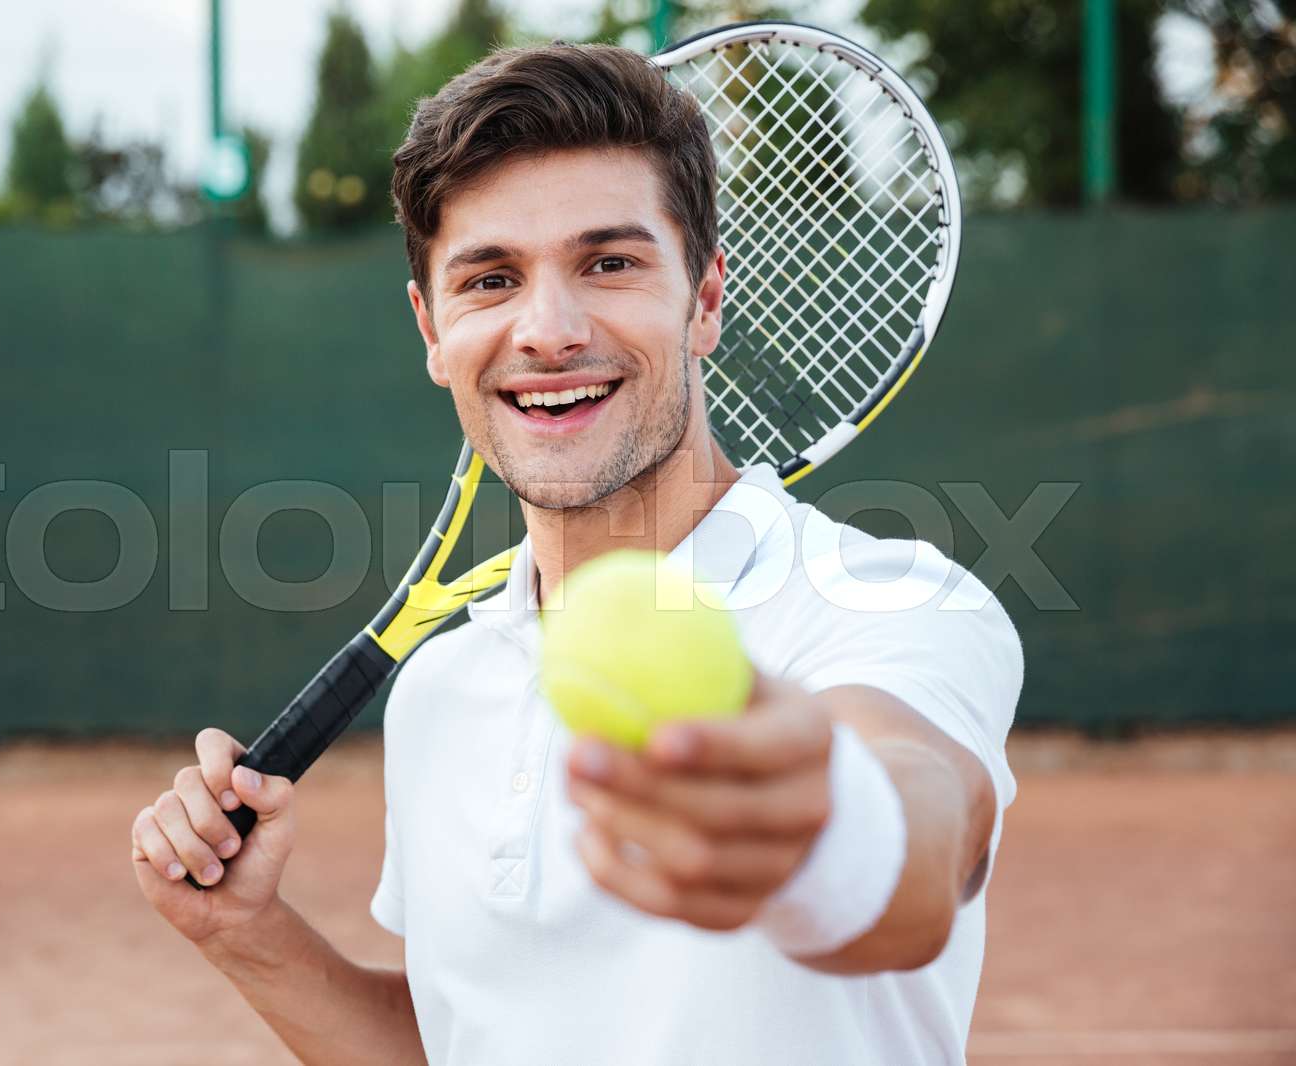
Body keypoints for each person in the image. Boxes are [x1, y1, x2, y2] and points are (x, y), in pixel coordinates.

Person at [130, 42, 1021, 1066]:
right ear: (431, 329)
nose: (547, 330)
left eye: (609, 264)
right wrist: (245, 935)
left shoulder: (891, 606)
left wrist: (823, 831)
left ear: (705, 300)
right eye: (490, 279)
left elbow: (925, 836)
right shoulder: (437, 693)